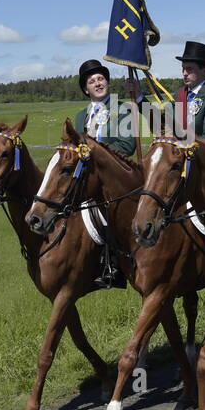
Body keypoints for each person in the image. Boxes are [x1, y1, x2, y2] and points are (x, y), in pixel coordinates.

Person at [72, 59, 139, 288]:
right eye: (92, 81)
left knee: (109, 214)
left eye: (101, 78)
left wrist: (99, 160)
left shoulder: (123, 109)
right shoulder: (81, 116)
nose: (98, 83)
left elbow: (127, 145)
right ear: (85, 89)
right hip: (88, 178)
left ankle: (113, 266)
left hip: (116, 179)